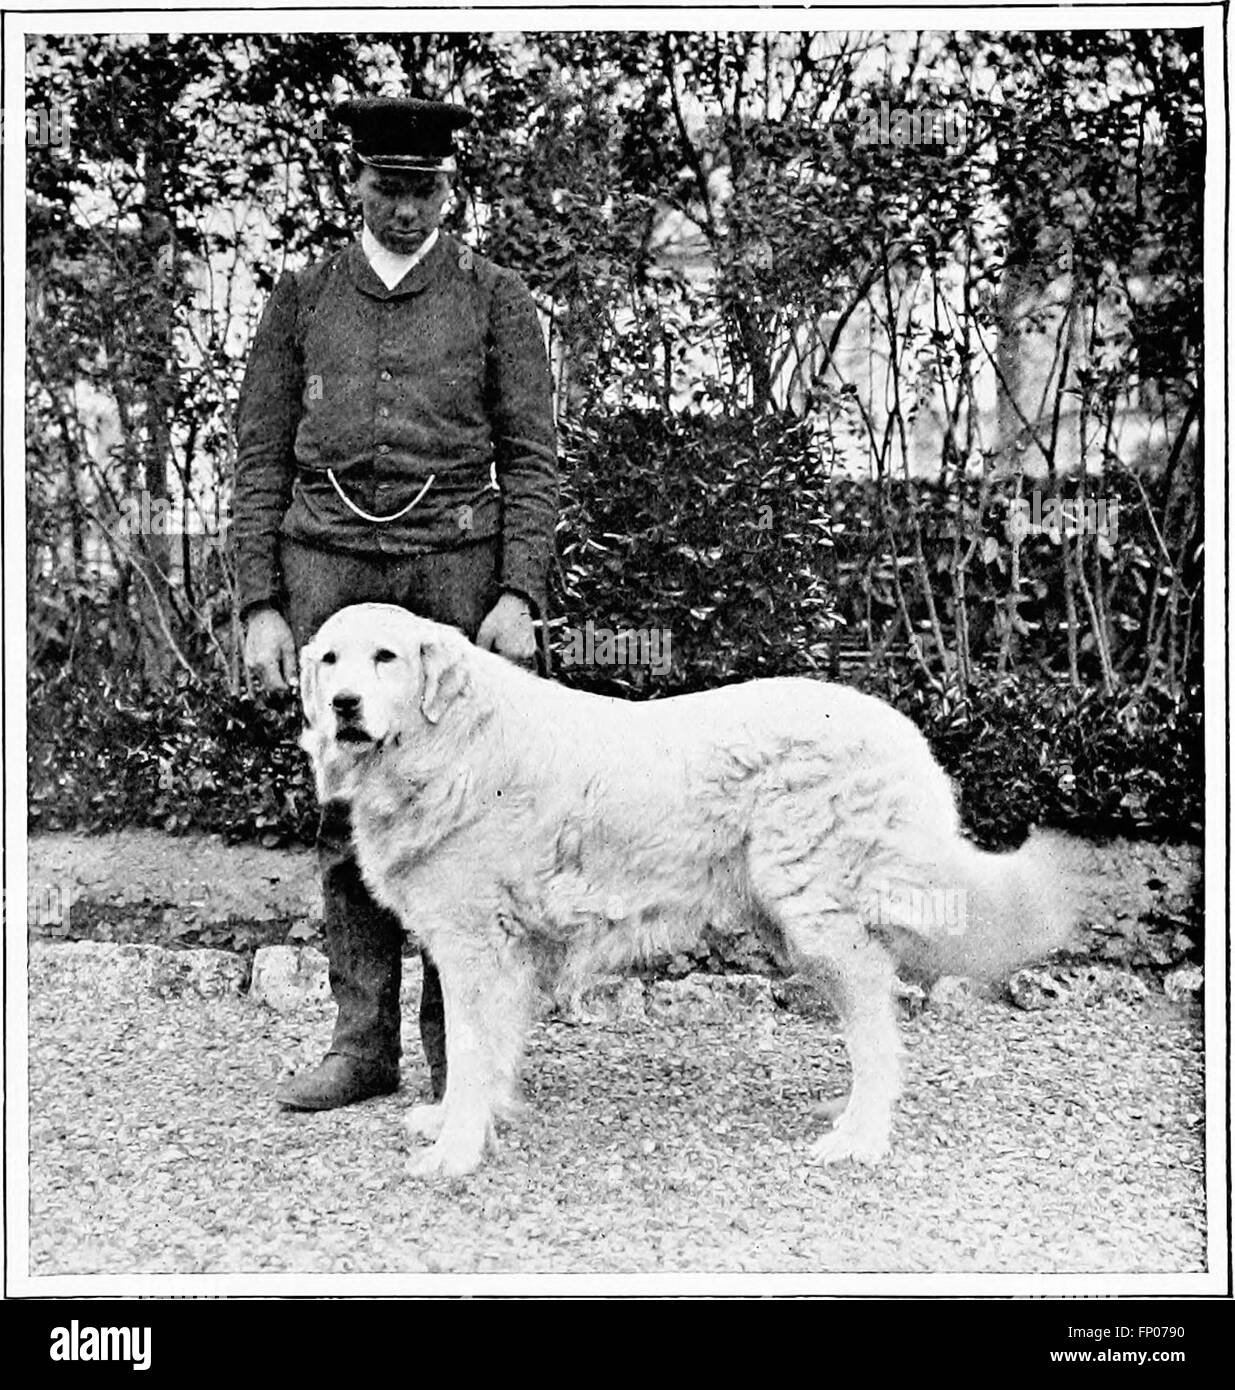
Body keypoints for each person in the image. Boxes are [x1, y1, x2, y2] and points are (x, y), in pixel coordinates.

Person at [233, 95, 558, 1111]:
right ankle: (360, 1043)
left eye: (423, 191)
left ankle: (455, 1055)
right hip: (323, 566)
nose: (405, 210)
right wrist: (259, 604)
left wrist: (516, 591)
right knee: (348, 811)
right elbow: (257, 457)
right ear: (355, 186)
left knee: (460, 814)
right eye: (387, 189)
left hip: (452, 575)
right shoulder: (302, 296)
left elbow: (532, 456)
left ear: (447, 190)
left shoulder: (491, 295)